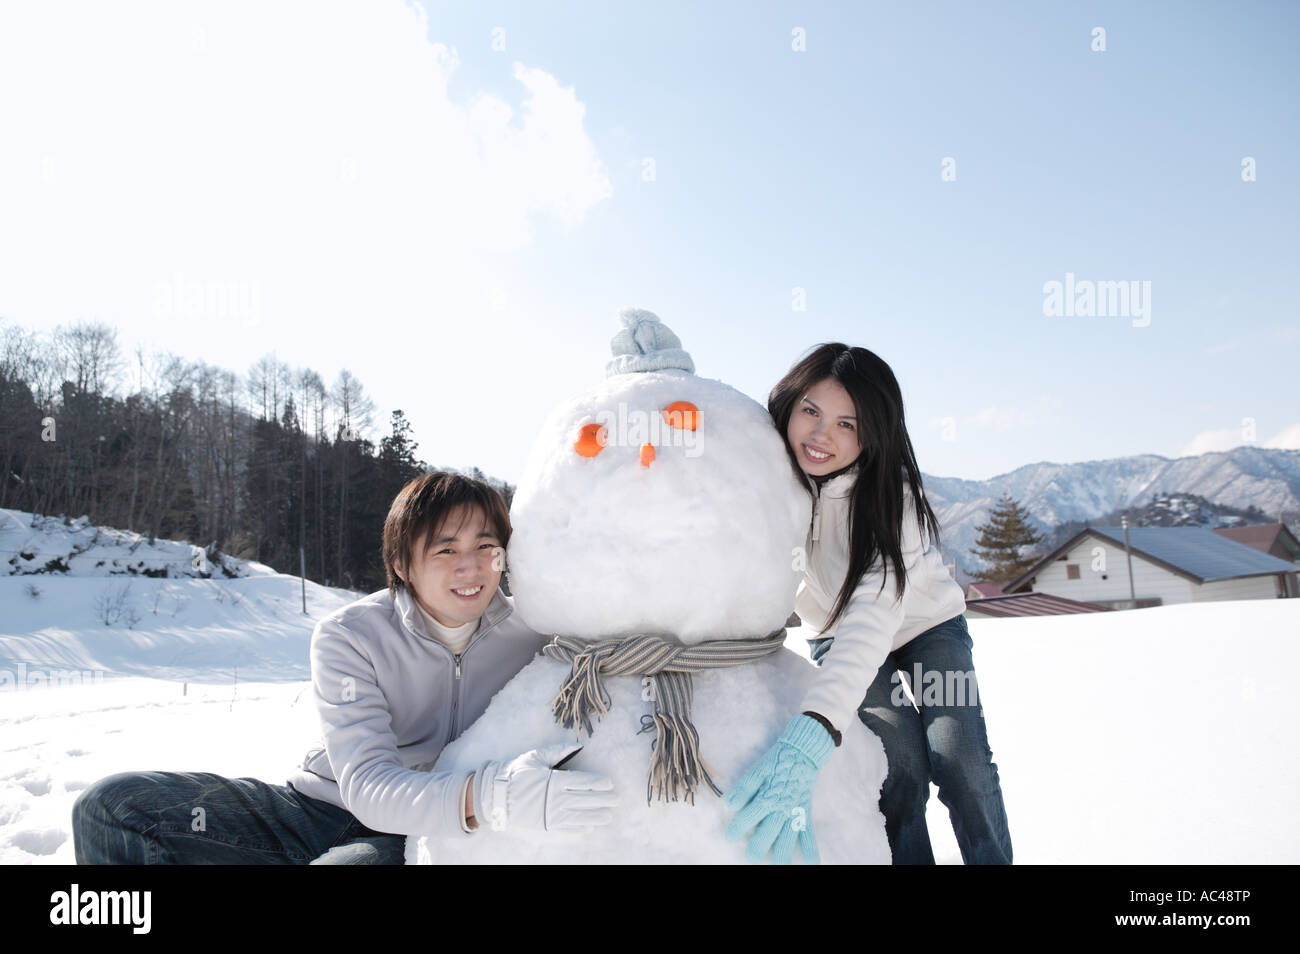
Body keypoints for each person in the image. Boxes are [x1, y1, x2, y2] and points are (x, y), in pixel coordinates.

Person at [72, 470, 617, 864]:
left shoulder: (539, 634)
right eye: (445, 550)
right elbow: (369, 785)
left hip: (420, 833)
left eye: (486, 545)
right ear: (402, 564)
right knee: (115, 806)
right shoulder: (351, 635)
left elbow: (633, 632)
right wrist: (490, 797)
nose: (470, 566)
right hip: (317, 808)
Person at [723, 344, 1012, 865]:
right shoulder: (771, 485)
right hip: (837, 630)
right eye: (811, 410)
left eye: (847, 424)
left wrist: (816, 725)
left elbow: (875, 616)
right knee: (897, 759)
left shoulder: (890, 498)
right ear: (789, 405)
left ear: (874, 433)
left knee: (960, 756)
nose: (821, 434)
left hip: (927, 626)